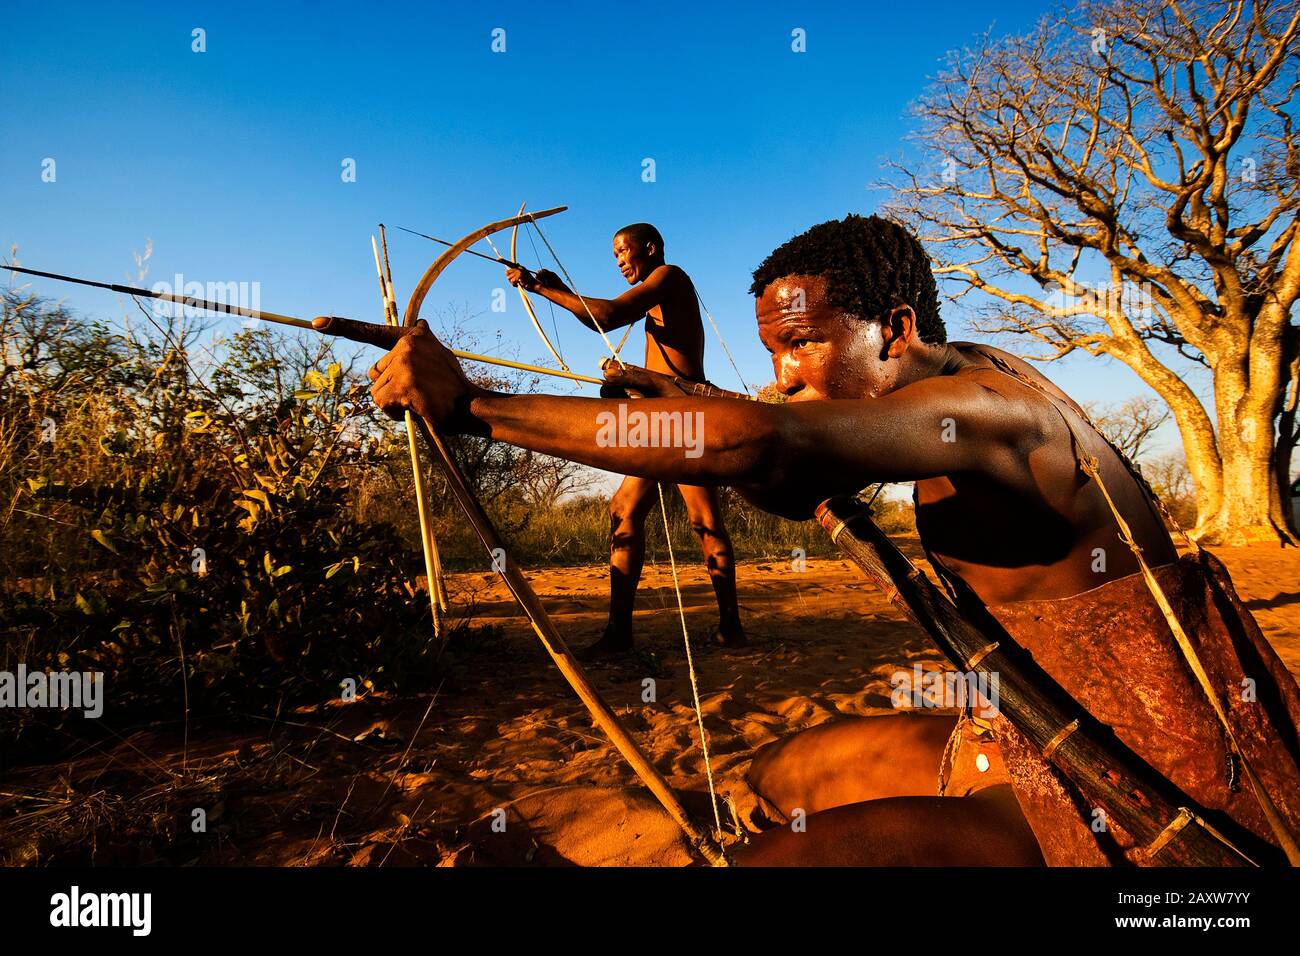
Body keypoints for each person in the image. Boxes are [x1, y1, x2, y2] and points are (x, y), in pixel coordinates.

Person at [353, 213, 1300, 865]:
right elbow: (779, 441)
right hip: (1042, 732)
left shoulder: (979, 410)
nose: (786, 374)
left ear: (894, 327)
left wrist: (474, 405)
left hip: (1159, 800)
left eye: (803, 345)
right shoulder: (960, 379)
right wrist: (693, 404)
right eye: (772, 352)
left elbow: (766, 444)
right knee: (780, 771)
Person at [504, 223, 745, 657]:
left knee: (689, 517)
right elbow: (606, 315)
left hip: (681, 414)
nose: (618, 261)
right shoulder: (659, 291)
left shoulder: (670, 276)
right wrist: (557, 288)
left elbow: (608, 316)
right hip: (667, 417)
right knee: (660, 513)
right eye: (614, 255)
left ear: (649, 248)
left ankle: (641, 633)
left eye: (622, 251)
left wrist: (543, 291)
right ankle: (714, 629)